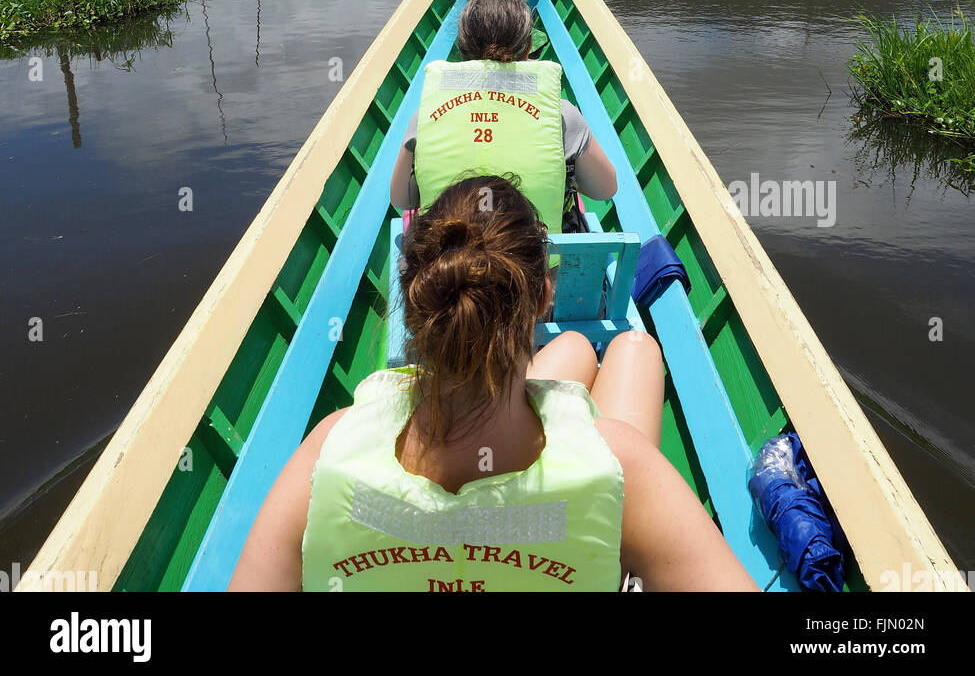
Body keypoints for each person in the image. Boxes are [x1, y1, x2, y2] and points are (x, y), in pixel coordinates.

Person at [229, 177, 757, 592]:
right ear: (544, 294)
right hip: (582, 496)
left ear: (414, 299)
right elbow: (608, 184)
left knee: (571, 354)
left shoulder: (330, 448)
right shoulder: (621, 463)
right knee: (622, 350)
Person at [390, 0, 617, 232]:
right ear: (529, 47)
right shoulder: (562, 115)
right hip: (533, 267)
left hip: (448, 266)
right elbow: (605, 189)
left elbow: (403, 199)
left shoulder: (425, 116)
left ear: (463, 50)